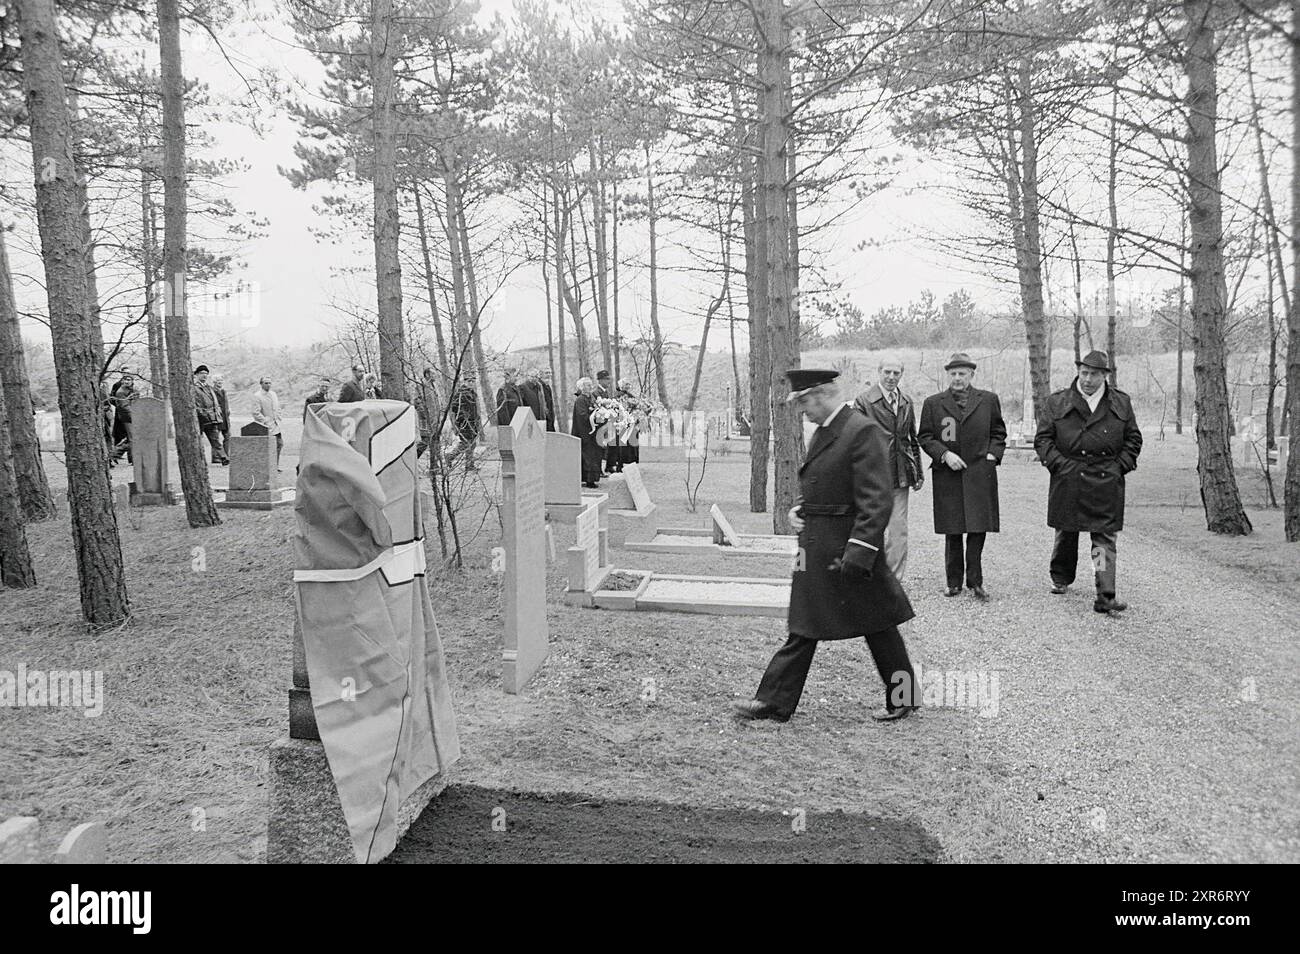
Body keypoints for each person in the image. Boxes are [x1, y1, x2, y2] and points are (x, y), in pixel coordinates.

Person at [732, 369, 918, 724]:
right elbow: (828, 483)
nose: (802, 411)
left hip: (845, 549)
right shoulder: (828, 431)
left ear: (820, 395)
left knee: (869, 624)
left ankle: (775, 701)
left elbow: (876, 501)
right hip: (821, 545)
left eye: (804, 402)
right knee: (814, 623)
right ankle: (775, 701)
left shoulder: (862, 431)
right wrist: (802, 508)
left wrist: (860, 551)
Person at [1034, 350, 1144, 616]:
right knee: (1066, 532)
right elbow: (1043, 440)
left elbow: (1133, 439)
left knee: (1103, 540)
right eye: (1084, 373)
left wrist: (1120, 467)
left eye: (1094, 374)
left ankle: (1105, 595)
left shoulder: (1120, 402)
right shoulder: (1058, 401)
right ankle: (1061, 576)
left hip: (1106, 480)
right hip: (1069, 476)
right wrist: (1059, 465)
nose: (1087, 379)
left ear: (1105, 376)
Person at [916, 352, 1005, 600]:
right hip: (948, 474)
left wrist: (992, 456)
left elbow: (999, 433)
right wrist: (944, 455)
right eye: (953, 373)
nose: (957, 378)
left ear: (971, 375)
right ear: (948, 375)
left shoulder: (988, 400)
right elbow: (925, 437)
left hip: (979, 473)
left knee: (978, 528)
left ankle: (975, 582)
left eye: (962, 373)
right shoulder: (934, 403)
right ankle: (953, 582)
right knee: (952, 529)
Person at [853, 357, 923, 580]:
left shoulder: (906, 402)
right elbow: (856, 439)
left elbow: (912, 438)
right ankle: (865, 574)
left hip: (901, 475)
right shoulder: (863, 401)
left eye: (896, 373)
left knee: (898, 529)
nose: (891, 377)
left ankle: (893, 579)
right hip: (873, 475)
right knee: (871, 527)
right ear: (879, 372)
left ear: (901, 374)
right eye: (887, 372)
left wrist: (918, 472)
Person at [193, 365, 228, 465]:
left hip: (212, 418)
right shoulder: (194, 387)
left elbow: (215, 402)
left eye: (206, 374)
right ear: (197, 375)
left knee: (215, 439)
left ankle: (224, 457)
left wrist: (217, 413)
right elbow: (195, 404)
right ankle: (201, 460)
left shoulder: (209, 388)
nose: (204, 376)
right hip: (200, 418)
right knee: (199, 440)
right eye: (202, 374)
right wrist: (202, 413)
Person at [572, 377, 603, 488]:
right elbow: (582, 416)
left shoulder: (592, 397)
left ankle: (594, 477)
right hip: (585, 432)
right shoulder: (580, 400)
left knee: (595, 455)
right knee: (588, 456)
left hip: (594, 433)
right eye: (588, 385)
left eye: (591, 385)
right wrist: (594, 418)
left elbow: (598, 409)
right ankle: (588, 480)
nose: (591, 387)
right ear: (582, 387)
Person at [252, 376, 284, 469]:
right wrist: (265, 421)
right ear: (261, 384)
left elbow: (277, 407)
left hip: (276, 424)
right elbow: (255, 412)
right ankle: (265, 466)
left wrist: (279, 416)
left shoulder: (273, 394)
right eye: (266, 383)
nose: (268, 385)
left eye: (270, 383)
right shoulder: (257, 396)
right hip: (265, 425)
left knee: (279, 444)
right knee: (266, 447)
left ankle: (275, 465)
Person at [449, 379, 480, 469]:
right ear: (464, 382)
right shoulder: (460, 394)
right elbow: (454, 409)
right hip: (464, 422)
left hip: (473, 422)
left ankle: (469, 464)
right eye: (469, 381)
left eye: (473, 381)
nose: (471, 383)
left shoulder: (473, 393)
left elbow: (476, 408)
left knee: (472, 443)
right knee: (465, 443)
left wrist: (477, 418)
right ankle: (450, 456)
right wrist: (457, 423)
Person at [108, 369, 136, 465]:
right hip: (126, 417)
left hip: (134, 416)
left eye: (129, 379)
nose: (127, 381)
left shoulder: (133, 389)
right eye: (125, 379)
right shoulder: (120, 391)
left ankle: (114, 455)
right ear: (122, 381)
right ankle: (115, 455)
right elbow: (124, 407)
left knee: (130, 438)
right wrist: (134, 415)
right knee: (132, 438)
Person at [415, 367, 443, 460]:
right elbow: (417, 402)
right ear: (427, 374)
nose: (435, 376)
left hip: (436, 420)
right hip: (427, 421)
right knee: (425, 442)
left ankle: (435, 467)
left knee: (436, 442)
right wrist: (426, 415)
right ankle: (412, 459)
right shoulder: (421, 385)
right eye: (433, 374)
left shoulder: (434, 386)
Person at [212, 373, 231, 456]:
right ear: (214, 382)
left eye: (221, 380)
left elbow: (226, 404)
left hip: (225, 418)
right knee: (215, 438)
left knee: (228, 436)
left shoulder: (224, 391)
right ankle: (216, 457)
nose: (220, 382)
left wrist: (228, 410)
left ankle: (226, 455)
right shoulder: (212, 391)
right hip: (216, 417)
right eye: (218, 380)